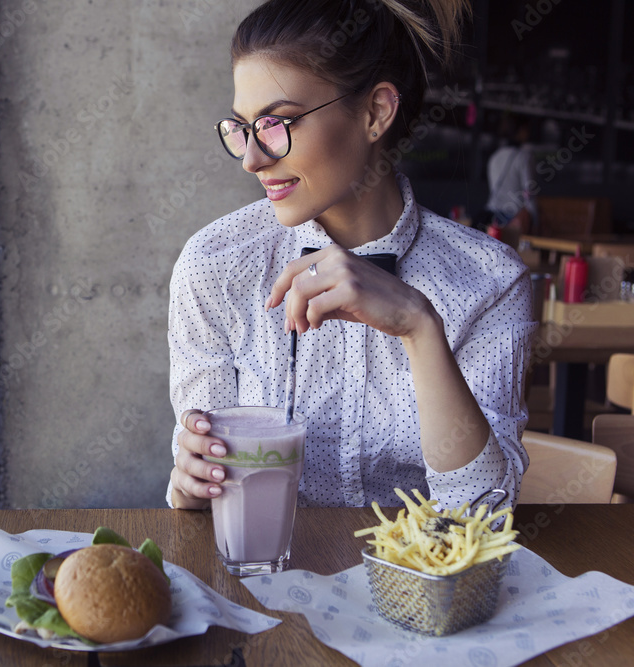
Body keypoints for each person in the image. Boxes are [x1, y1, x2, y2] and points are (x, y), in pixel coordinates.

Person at [167, 0, 537, 512]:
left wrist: (419, 325)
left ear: (376, 112)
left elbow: (484, 515)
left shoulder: (491, 283)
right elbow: (211, 497)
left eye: (277, 124)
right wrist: (190, 482)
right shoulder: (215, 266)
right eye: (243, 128)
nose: (252, 159)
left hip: (414, 588)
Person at [482, 113, 537, 237]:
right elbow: (529, 192)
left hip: (492, 218)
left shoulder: (494, 157)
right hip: (514, 220)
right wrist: (535, 221)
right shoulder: (524, 157)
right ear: (520, 131)